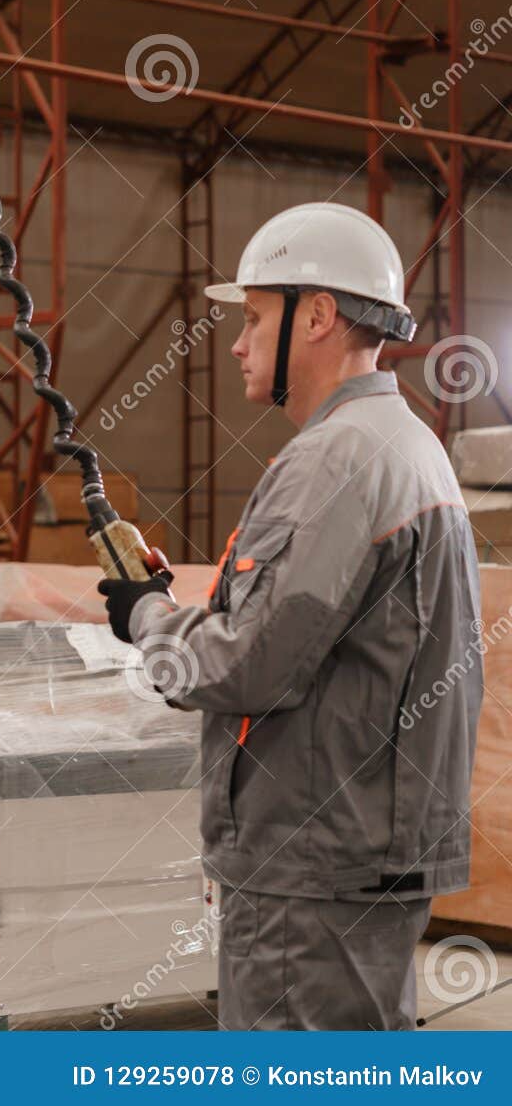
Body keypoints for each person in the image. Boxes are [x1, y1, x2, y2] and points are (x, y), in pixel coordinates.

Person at [99, 203, 481, 1030]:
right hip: (362, 845)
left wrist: (149, 620)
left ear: (317, 316)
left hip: (312, 861)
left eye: (256, 317)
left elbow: (251, 662)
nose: (237, 342)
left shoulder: (335, 460)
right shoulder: (404, 443)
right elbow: (314, 630)